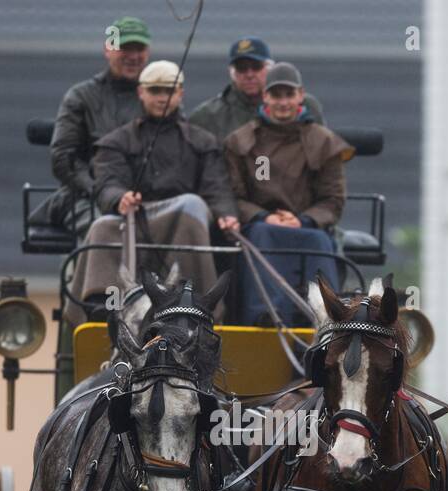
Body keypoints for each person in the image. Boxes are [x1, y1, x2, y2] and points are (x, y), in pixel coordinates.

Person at [64, 61, 239, 324]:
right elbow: (106, 180)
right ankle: (103, 306)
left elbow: (217, 187)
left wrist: (226, 213)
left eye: (169, 91)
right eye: (155, 90)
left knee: (192, 205)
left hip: (184, 221)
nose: (162, 98)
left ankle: (185, 295)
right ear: (141, 93)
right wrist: (118, 197)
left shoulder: (202, 142)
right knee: (101, 227)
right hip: (136, 220)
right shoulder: (116, 141)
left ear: (180, 94)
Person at [223, 62, 351, 326]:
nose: (283, 102)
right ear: (265, 96)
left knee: (320, 242)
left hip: (307, 227)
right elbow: (232, 195)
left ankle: (327, 316)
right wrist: (262, 216)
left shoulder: (324, 142)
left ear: (300, 95)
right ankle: (266, 315)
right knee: (261, 236)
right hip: (260, 228)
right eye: (276, 95)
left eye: (289, 95)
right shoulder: (242, 141)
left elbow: (333, 199)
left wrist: (302, 220)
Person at [46, 16, 151, 233]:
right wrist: (104, 192)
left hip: (144, 199)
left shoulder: (158, 97)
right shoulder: (81, 97)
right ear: (108, 49)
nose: (132, 56)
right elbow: (63, 159)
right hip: (86, 198)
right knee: (110, 230)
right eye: (125, 48)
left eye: (138, 48)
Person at [188, 36, 325, 142]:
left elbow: (324, 154)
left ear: (270, 68)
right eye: (242, 68)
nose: (249, 75)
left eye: (256, 67)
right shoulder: (207, 117)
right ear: (232, 72)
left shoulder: (304, 106)